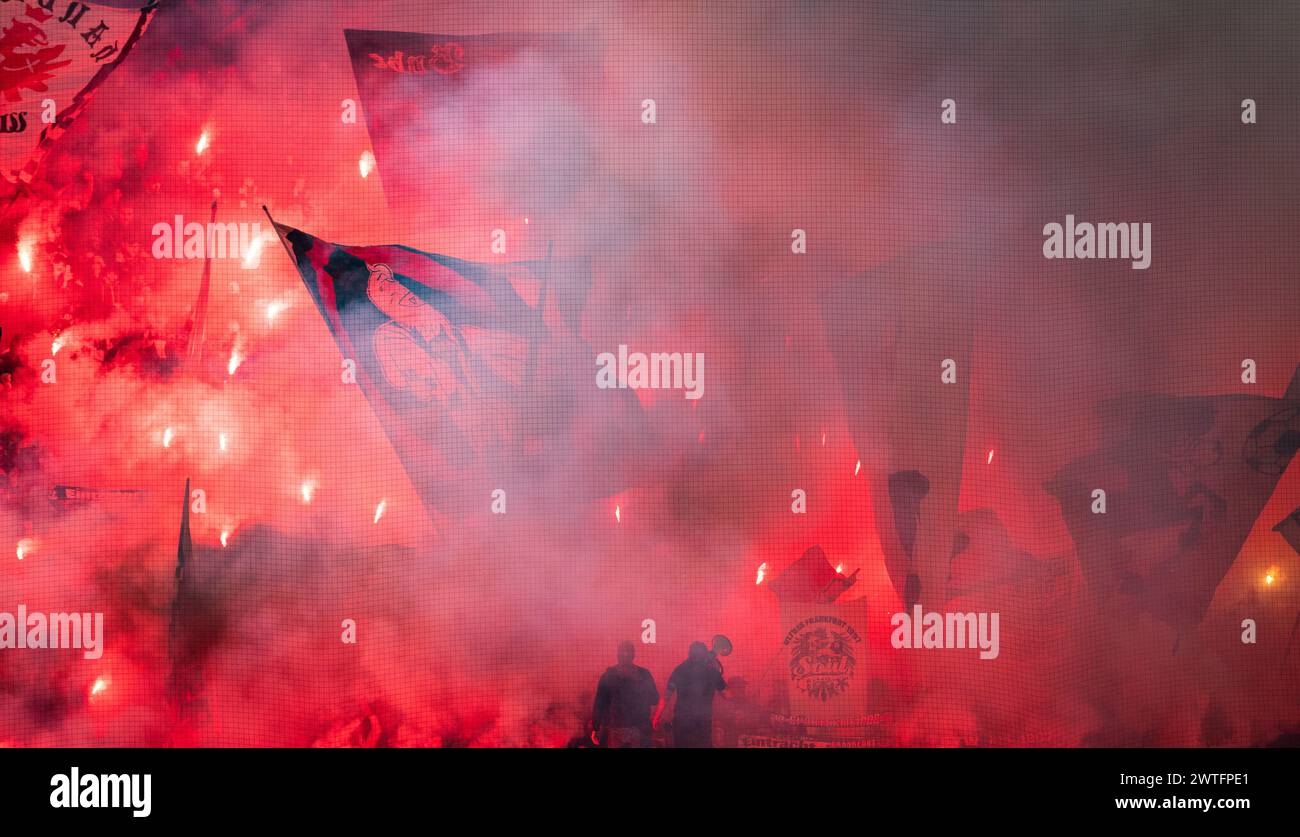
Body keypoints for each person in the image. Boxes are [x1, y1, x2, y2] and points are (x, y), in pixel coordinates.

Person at [656, 641, 726, 748]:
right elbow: (727, 694)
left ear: (689, 654)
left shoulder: (680, 670)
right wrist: (716, 671)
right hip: (702, 722)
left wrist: (656, 717)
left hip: (681, 721)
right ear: (704, 655)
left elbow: (666, 696)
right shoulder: (711, 671)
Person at [591, 641, 659, 748]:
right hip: (639, 727)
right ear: (633, 655)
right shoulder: (644, 674)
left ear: (617, 655)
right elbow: (655, 699)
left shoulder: (608, 675)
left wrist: (596, 727)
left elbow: (599, 703)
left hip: (616, 727)